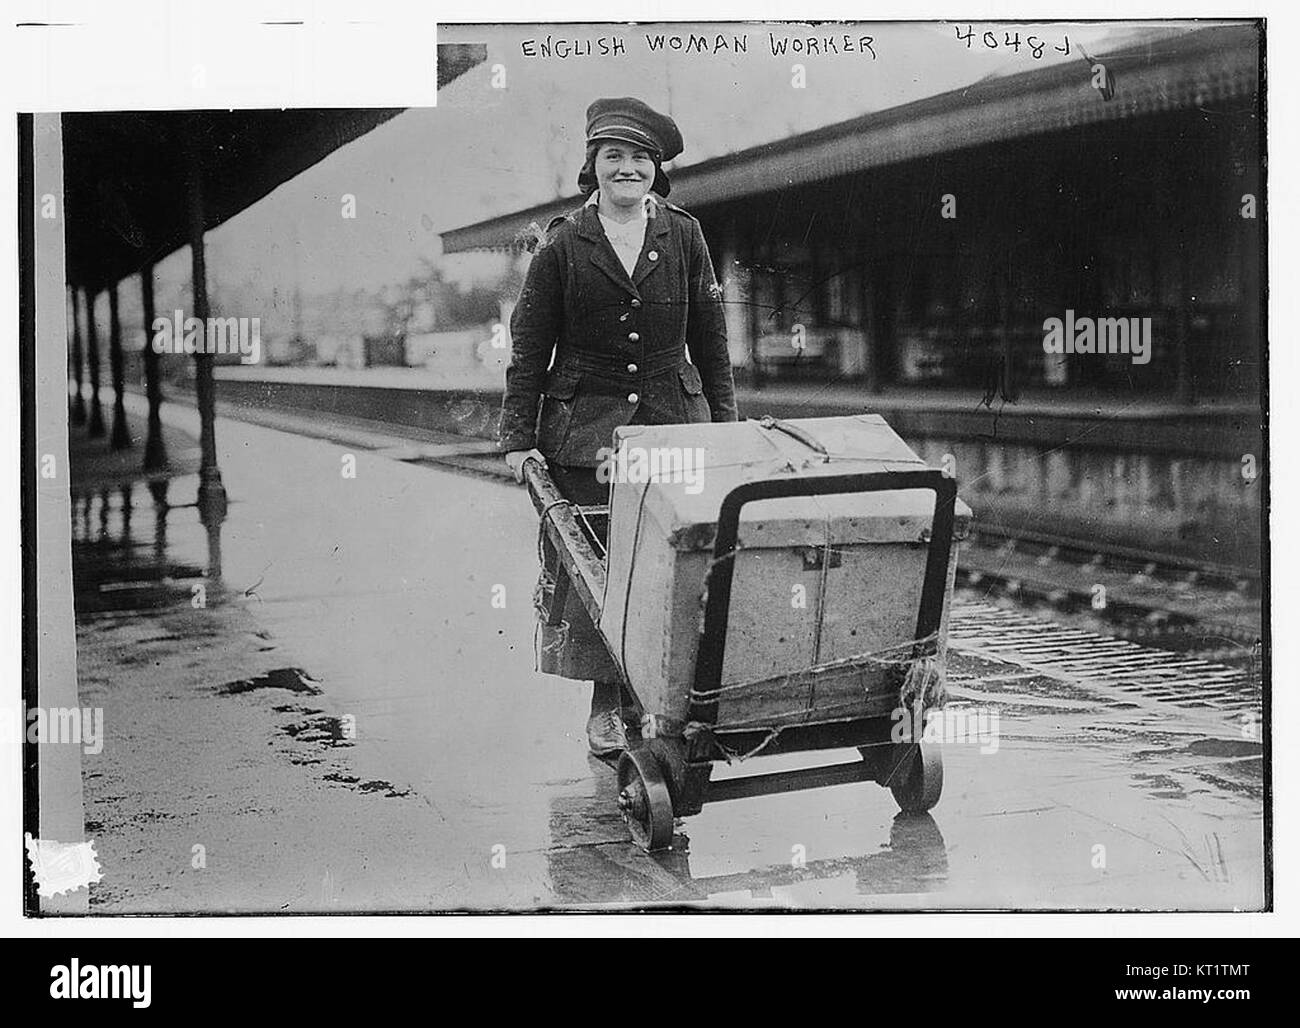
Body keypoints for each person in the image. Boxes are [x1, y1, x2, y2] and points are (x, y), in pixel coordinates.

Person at [500, 96, 738, 757]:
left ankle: (668, 701)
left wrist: (726, 422)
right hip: (587, 431)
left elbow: (710, 337)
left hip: (672, 424)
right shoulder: (562, 244)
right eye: (614, 157)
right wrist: (519, 439)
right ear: (593, 167)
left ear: (655, 171)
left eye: (639, 158)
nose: (627, 169)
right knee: (600, 571)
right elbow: (530, 346)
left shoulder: (684, 234)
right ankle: (608, 705)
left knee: (675, 562)